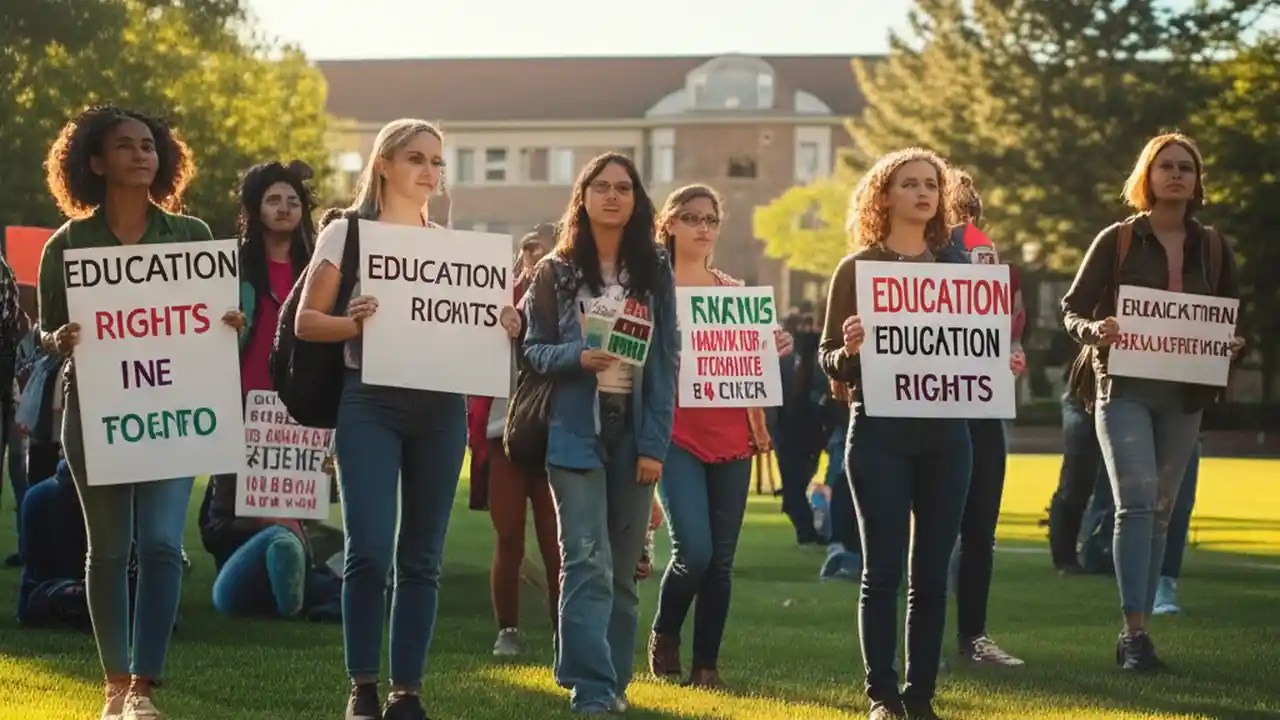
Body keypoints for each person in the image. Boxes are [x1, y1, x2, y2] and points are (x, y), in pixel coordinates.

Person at [294, 118, 522, 720]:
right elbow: (306, 323)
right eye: (416, 158)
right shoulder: (347, 232)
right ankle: (362, 686)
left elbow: (473, 332)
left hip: (440, 408)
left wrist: (504, 328)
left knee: (422, 558)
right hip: (368, 400)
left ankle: (408, 693)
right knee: (369, 549)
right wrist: (354, 322)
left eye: (437, 161)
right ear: (384, 165)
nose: (429, 170)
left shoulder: (451, 248)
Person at [38, 104, 243, 720]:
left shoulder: (194, 239)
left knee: (159, 544)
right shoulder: (67, 245)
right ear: (95, 162)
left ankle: (143, 691)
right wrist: (61, 339)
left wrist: (233, 320)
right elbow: (47, 333)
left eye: (150, 146)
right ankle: (113, 685)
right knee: (108, 549)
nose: (142, 154)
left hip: (175, 409)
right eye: (126, 146)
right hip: (96, 411)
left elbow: (217, 319)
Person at [819, 148, 1017, 720]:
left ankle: (921, 696)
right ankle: (881, 696)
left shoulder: (963, 272)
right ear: (884, 196)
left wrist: (997, 360)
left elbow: (980, 353)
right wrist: (850, 350)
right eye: (910, 183)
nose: (924, 192)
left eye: (931, 183)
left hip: (949, 438)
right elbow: (828, 359)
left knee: (930, 576)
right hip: (878, 433)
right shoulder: (856, 269)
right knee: (882, 571)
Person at [1060, 133, 1242, 671]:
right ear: (1147, 176)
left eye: (1187, 167)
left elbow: (1229, 313)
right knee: (1136, 501)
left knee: (1161, 509)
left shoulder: (1213, 246)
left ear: (1197, 180)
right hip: (1124, 387)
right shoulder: (1116, 239)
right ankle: (1133, 633)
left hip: (1185, 393)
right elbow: (1071, 309)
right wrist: (1095, 329)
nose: (1177, 175)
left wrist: (1233, 343)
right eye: (1166, 166)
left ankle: (1143, 631)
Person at [522, 152, 678, 715]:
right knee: (585, 557)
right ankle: (590, 687)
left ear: (636, 201)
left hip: (633, 432)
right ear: (582, 198)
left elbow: (665, 361)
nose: (613, 196)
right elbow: (532, 349)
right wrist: (576, 356)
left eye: (624, 188)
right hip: (573, 429)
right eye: (601, 187)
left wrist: (655, 447)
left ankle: (610, 681)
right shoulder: (555, 271)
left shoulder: (654, 270)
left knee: (623, 567)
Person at [646, 184, 792, 688]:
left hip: (734, 436)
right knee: (696, 553)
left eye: (710, 219)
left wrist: (774, 346)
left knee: (722, 563)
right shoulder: (652, 290)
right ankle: (665, 631)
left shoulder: (734, 293)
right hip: (676, 434)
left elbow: (754, 362)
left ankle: (707, 665)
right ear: (668, 225)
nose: (703, 228)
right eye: (690, 218)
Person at [198, 160, 317, 620]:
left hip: (298, 409)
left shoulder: (317, 269)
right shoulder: (232, 268)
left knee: (291, 501)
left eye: (292, 201)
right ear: (256, 208)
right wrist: (221, 323)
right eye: (273, 200)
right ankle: (243, 581)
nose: (284, 208)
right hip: (243, 404)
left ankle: (288, 581)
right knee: (233, 509)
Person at [944, 169, 1028, 667]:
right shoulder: (905, 263)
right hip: (929, 413)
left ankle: (973, 636)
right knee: (935, 531)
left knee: (980, 529)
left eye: (972, 215)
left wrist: (1013, 352)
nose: (969, 229)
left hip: (981, 410)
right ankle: (921, 637)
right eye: (960, 214)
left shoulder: (994, 267)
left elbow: (1008, 331)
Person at [467, 227, 561, 658]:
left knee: (556, 538)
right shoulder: (494, 295)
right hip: (502, 431)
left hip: (554, 434)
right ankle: (508, 629)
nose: (536, 254)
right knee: (508, 536)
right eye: (528, 247)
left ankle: (564, 629)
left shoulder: (571, 296)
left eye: (545, 247)